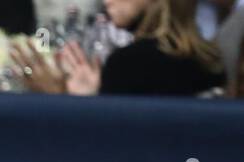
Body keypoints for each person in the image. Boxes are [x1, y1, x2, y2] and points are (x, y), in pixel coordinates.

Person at [12, 0, 225, 94]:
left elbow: (106, 151)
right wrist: (94, 100)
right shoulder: (212, 60)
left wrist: (57, 99)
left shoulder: (130, 64)